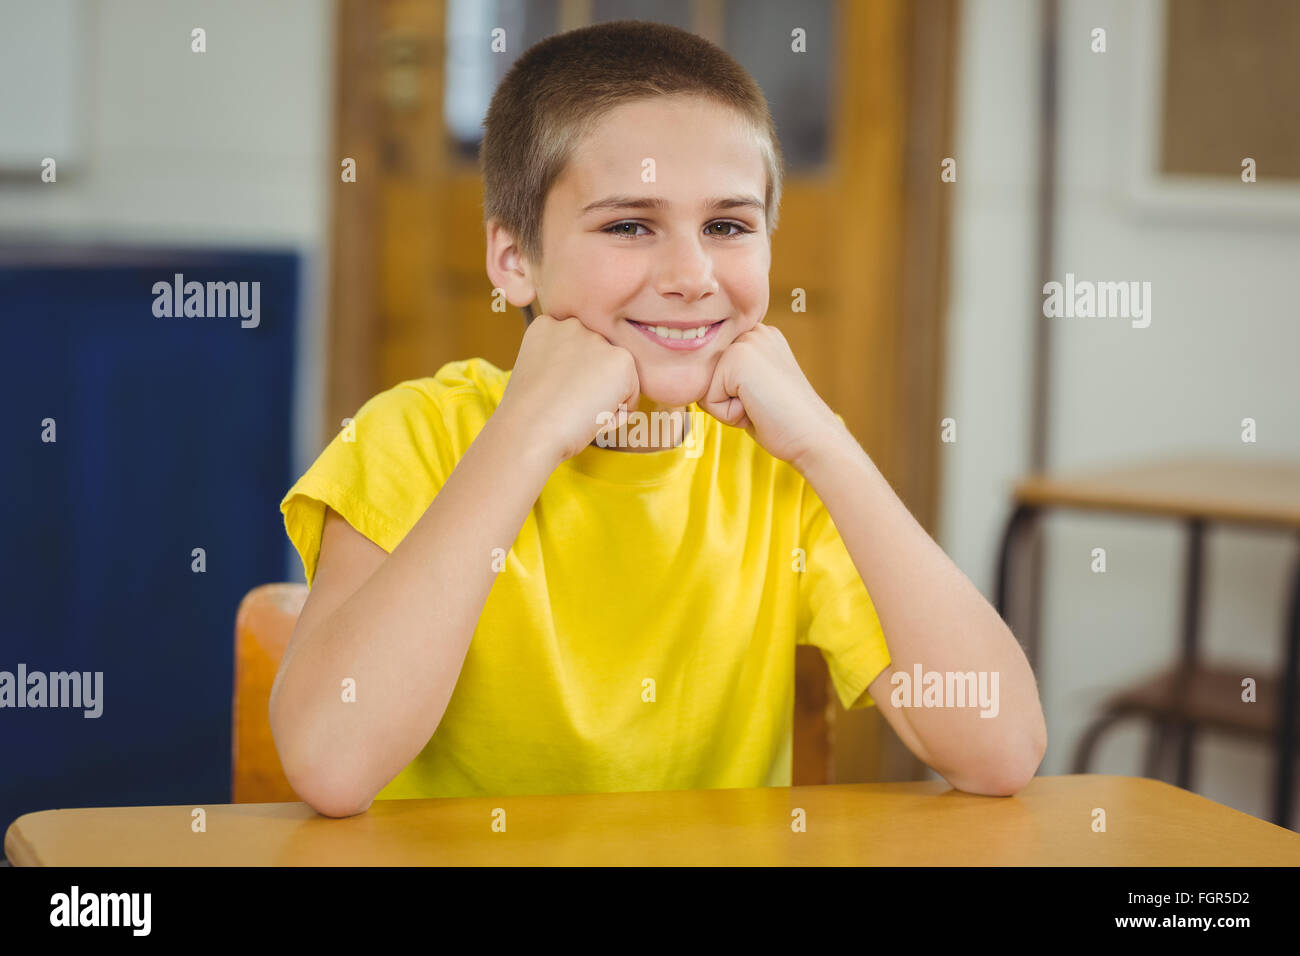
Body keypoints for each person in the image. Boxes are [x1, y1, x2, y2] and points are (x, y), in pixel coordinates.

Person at [271, 20, 1046, 818]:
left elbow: (1000, 748)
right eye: (629, 225)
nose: (690, 275)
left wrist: (826, 444)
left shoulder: (783, 463)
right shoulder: (412, 437)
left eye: (728, 226)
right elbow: (333, 763)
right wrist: (526, 436)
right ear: (513, 261)